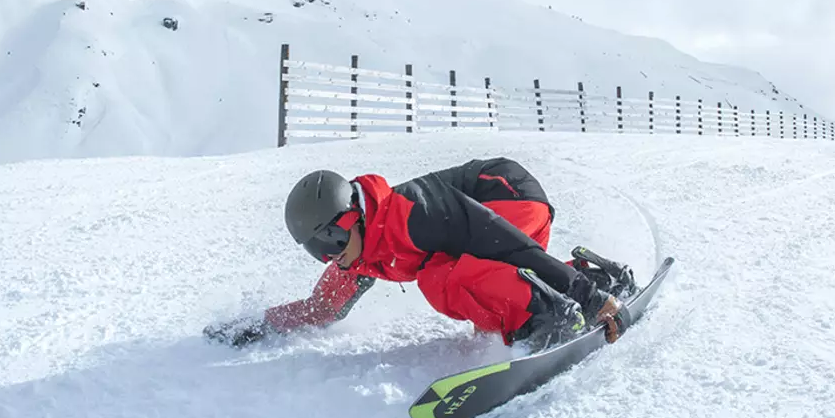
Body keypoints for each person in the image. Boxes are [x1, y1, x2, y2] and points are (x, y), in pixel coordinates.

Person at [204, 157, 637, 352]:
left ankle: (547, 313)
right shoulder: (360, 251)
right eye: (318, 252)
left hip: (509, 196)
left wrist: (589, 299)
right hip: (495, 231)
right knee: (450, 277)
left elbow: (508, 246)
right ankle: (585, 280)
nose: (331, 258)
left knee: (443, 279)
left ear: (351, 215)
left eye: (332, 243)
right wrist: (258, 325)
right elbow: (324, 307)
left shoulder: (413, 214)